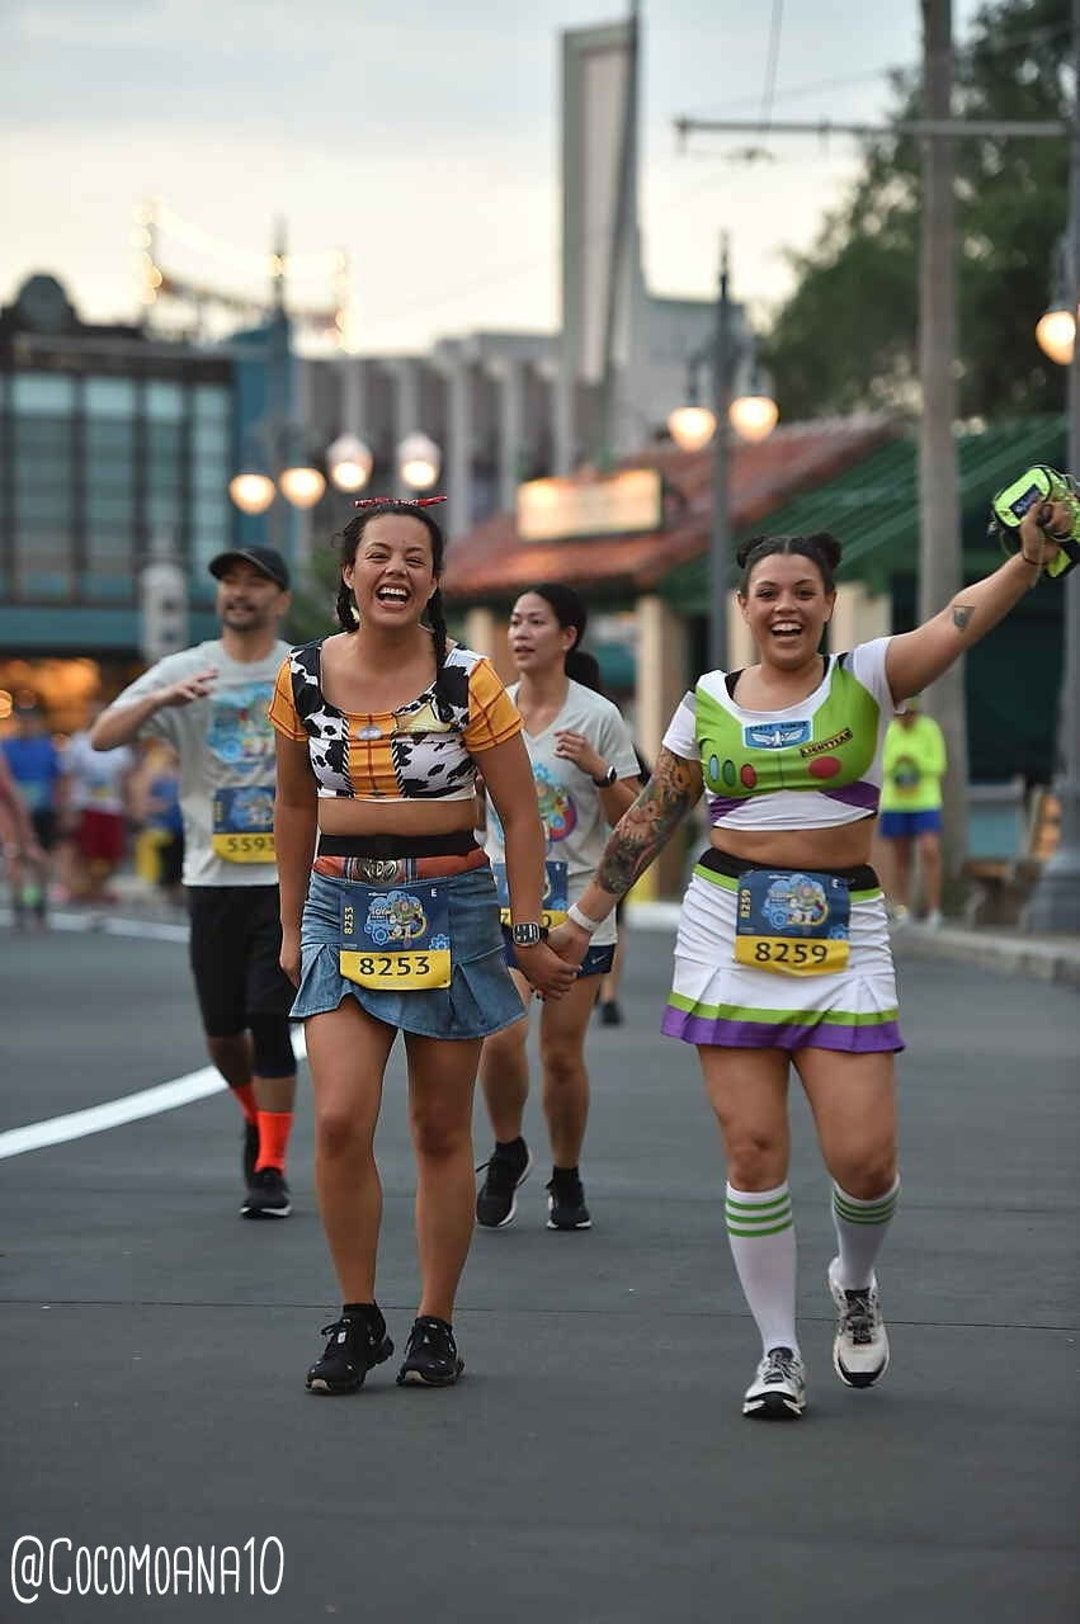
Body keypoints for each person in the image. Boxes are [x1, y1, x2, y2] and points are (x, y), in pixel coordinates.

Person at [548, 506, 1067, 1422]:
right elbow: (652, 817)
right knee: (753, 1152)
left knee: (863, 1162)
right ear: (744, 605)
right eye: (767, 593)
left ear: (828, 604)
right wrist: (584, 920)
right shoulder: (706, 701)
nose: (784, 607)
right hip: (726, 925)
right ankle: (777, 1350)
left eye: (802, 593)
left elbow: (957, 621)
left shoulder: (869, 677)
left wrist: (1027, 563)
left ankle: (854, 1281)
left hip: (844, 932)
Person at [269, 496, 575, 1395]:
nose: (395, 571)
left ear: (435, 581)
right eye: (379, 556)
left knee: (440, 1128)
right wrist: (289, 925)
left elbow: (521, 815)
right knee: (338, 1118)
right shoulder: (301, 674)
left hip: (451, 905)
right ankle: (357, 1315)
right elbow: (293, 803)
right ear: (350, 574)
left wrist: (526, 930)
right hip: (340, 905)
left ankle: (435, 1323)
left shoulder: (468, 678)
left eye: (414, 559)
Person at [90, 546, 298, 1220]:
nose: (239, 593)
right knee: (222, 1034)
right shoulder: (187, 668)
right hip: (211, 879)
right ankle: (257, 1116)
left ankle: (269, 1166)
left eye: (255, 583)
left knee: (268, 1020)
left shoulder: (300, 670)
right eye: (230, 582)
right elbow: (102, 737)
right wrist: (159, 699)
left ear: (281, 600)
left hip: (285, 877)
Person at [475, 585, 640, 1231]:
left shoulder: (598, 716)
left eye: (535, 622)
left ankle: (566, 1174)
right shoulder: (491, 710)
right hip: (502, 899)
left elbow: (636, 819)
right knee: (500, 1036)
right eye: (515, 621)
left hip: (577, 907)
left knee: (562, 1055)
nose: (520, 633)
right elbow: (471, 806)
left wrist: (601, 770)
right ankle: (507, 1149)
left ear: (567, 636)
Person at [877, 695, 947, 927]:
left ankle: (935, 909)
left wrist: (914, 760)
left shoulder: (929, 729)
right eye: (902, 715)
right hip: (896, 802)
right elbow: (881, 764)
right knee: (901, 857)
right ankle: (903, 907)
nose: (906, 719)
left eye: (911, 714)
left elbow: (938, 765)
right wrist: (898, 761)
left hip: (925, 801)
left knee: (929, 850)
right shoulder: (890, 731)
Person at [1, 701, 69, 926]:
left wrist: (62, 807)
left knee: (41, 856)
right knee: (15, 855)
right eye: (22, 721)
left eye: (30, 721)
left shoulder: (48, 747)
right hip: (11, 812)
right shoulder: (6, 747)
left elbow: (58, 779)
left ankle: (39, 902)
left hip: (42, 809)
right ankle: (19, 905)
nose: (26, 725)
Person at [65, 701, 136, 908]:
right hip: (86, 805)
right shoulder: (78, 742)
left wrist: (131, 805)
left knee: (111, 851)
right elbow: (68, 776)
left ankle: (100, 886)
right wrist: (68, 807)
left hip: (112, 806)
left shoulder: (120, 745)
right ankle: (84, 886)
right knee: (85, 850)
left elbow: (126, 778)